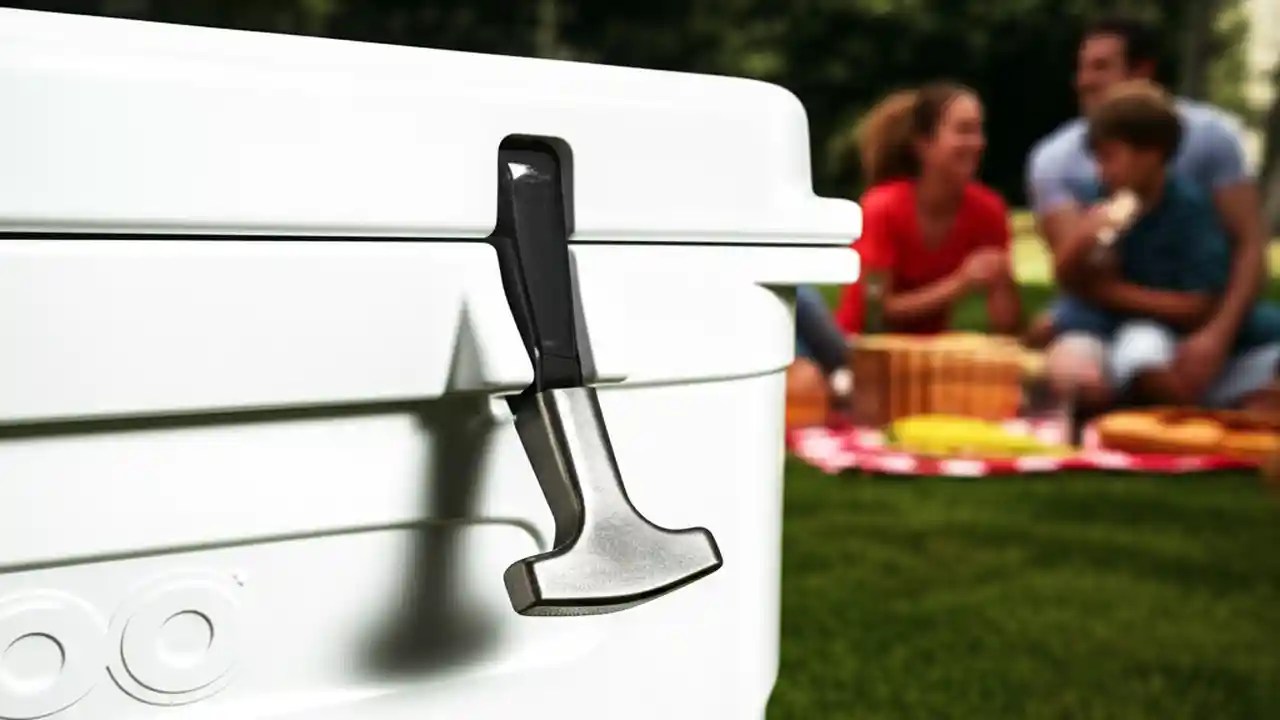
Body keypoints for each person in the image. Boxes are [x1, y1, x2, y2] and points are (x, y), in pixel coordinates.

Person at [1026, 15, 1269, 400]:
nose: (1084, 81)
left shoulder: (1200, 170)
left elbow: (1244, 250)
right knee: (1092, 365)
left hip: (1183, 321)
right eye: (1082, 67)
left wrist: (1215, 335)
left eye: (1101, 66)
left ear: (1142, 71)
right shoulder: (1062, 163)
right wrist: (1087, 238)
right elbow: (1073, 277)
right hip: (1103, 322)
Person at [835, 84, 1021, 336]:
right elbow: (875, 315)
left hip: (927, 355)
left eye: (979, 131)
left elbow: (1006, 330)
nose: (977, 143)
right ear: (923, 144)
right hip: (860, 349)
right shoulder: (882, 207)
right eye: (964, 131)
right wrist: (960, 283)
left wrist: (1002, 285)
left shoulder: (988, 209)